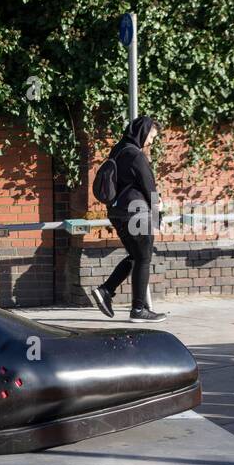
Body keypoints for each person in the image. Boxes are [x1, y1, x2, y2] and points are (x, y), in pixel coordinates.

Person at [89, 116, 167, 323]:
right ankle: (138, 310)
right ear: (143, 131)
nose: (151, 142)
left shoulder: (118, 151)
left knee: (135, 255)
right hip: (137, 212)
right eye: (151, 136)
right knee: (144, 257)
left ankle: (106, 290)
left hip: (117, 212)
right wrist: (158, 215)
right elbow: (150, 189)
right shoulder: (136, 155)